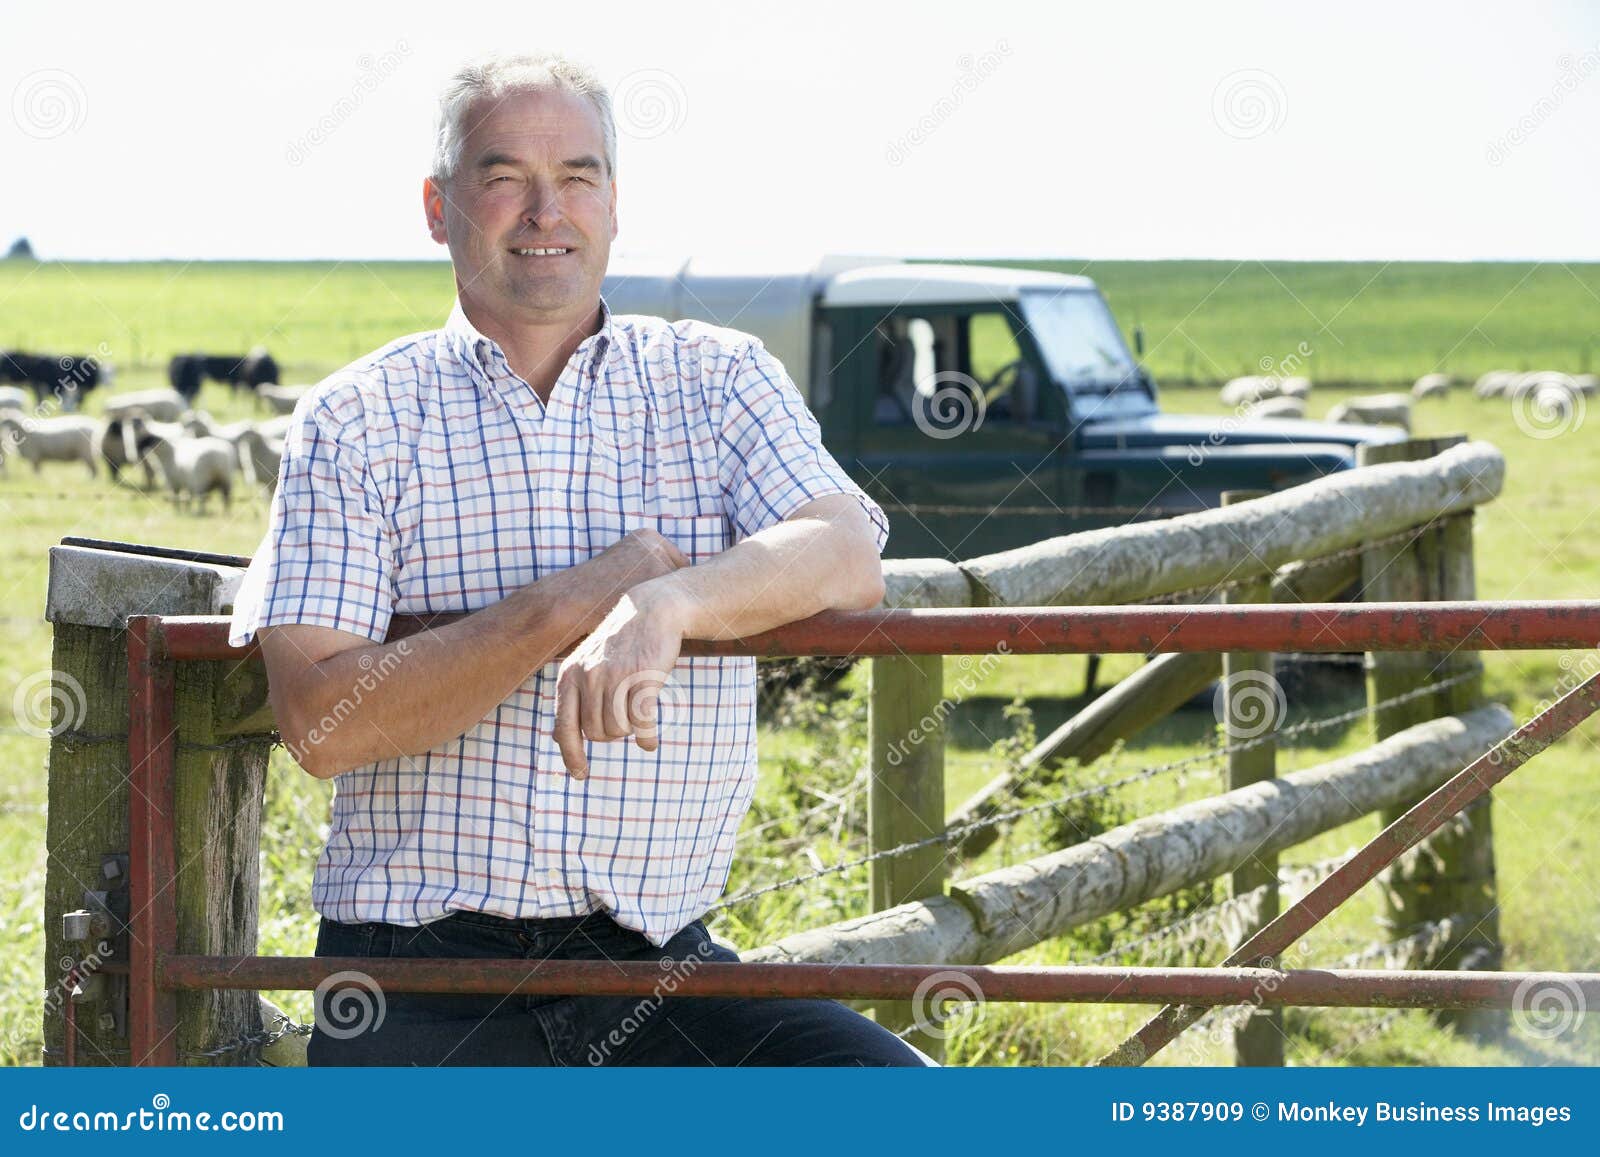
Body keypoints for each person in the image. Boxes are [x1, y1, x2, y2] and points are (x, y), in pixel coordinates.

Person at [229, 51, 933, 1067]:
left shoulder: (716, 378)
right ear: (439, 207)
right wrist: (577, 597)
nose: (544, 210)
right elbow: (324, 722)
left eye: (578, 176)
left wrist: (665, 598)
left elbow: (842, 548)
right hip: (423, 982)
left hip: (660, 967)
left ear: (614, 203)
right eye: (503, 175)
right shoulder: (356, 419)